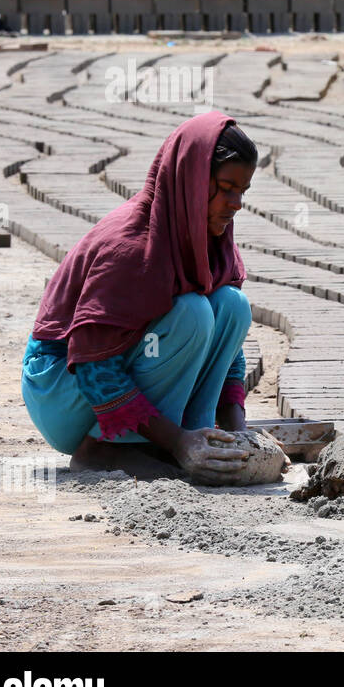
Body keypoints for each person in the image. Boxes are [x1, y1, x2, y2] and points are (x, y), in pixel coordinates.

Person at [21, 111, 258, 481]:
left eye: (242, 191)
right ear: (193, 181)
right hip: (61, 390)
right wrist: (178, 441)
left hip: (104, 384)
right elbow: (91, 364)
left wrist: (238, 432)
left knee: (232, 306)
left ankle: (196, 436)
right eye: (226, 188)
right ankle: (106, 449)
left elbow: (230, 350)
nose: (236, 203)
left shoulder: (207, 242)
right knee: (193, 313)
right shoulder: (132, 246)